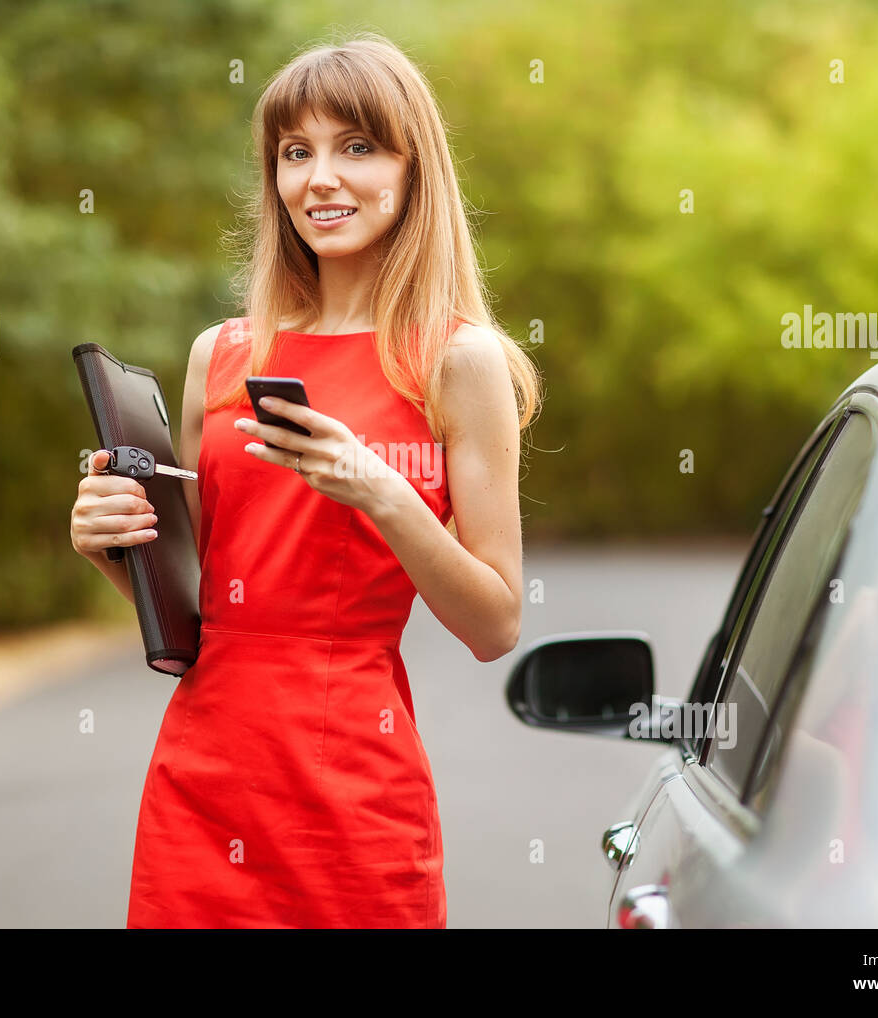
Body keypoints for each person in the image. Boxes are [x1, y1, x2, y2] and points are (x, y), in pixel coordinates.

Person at [69, 31, 542, 928]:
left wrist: (383, 493)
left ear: (413, 169)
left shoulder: (457, 364)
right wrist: (111, 541)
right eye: (296, 153)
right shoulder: (223, 353)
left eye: (356, 147)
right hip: (202, 782)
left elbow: (497, 622)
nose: (320, 177)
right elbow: (199, 605)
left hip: (353, 793)